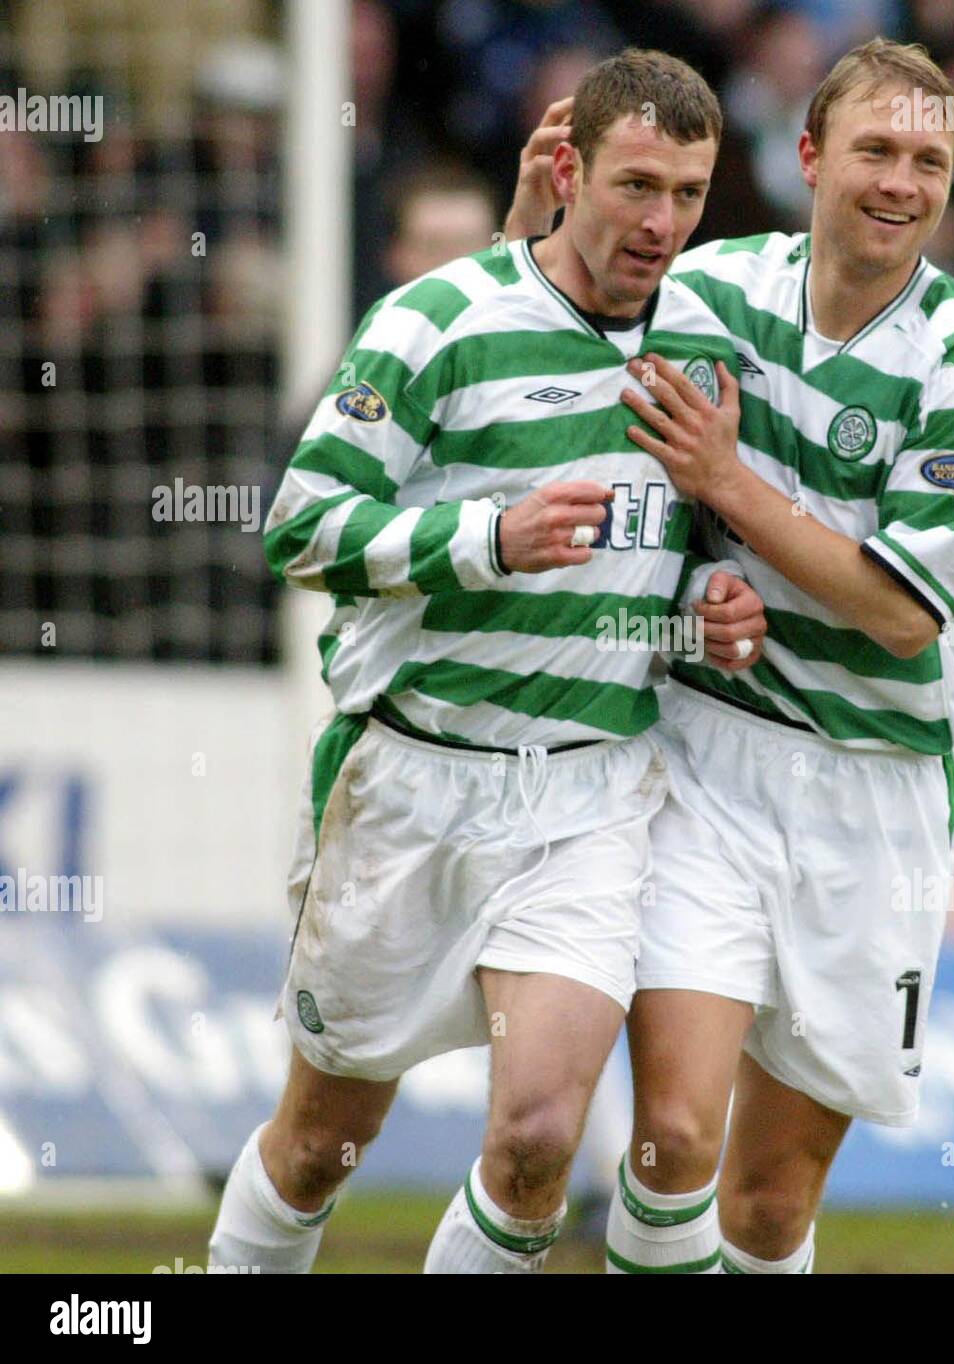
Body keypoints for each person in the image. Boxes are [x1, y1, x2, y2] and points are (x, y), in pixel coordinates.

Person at [207, 48, 766, 1276]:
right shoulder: (438, 321)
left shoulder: (707, 352)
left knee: (535, 1137)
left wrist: (710, 601)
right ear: (568, 171)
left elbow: (690, 548)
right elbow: (300, 529)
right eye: (634, 186)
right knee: (319, 1145)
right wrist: (488, 537)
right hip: (412, 778)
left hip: (586, 789)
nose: (661, 222)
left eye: (687, 193)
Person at [507, 36, 954, 1273]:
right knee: (672, 1137)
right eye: (875, 151)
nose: (900, 182)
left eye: (928, 159)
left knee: (767, 1204)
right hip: (709, 759)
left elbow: (903, 616)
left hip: (876, 783)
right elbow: (536, 369)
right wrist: (533, 220)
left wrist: (728, 488)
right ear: (808, 156)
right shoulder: (712, 292)